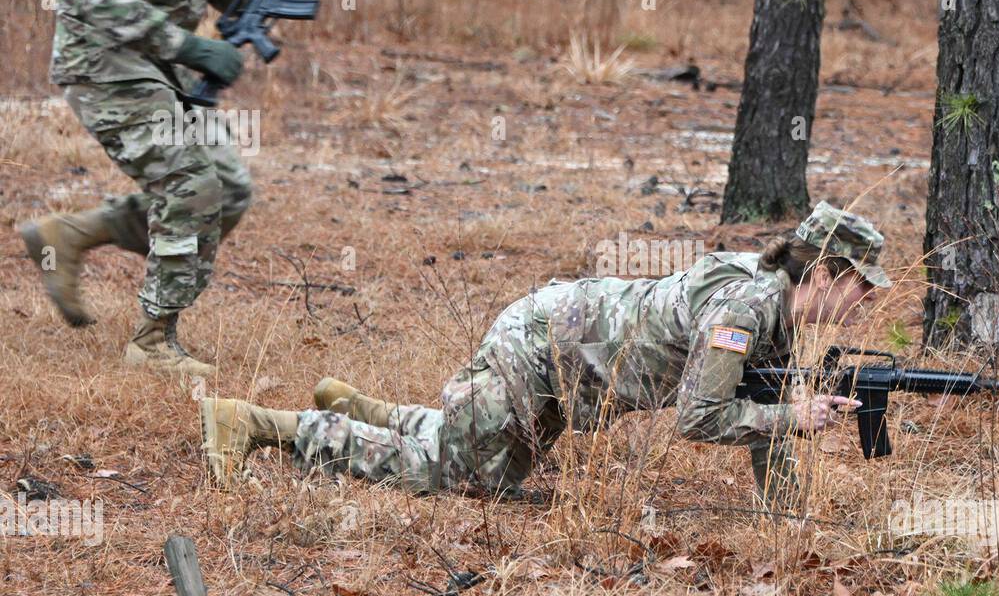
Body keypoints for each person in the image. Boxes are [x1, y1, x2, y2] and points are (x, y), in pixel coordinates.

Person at [200, 202, 891, 504]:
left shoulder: (778, 303)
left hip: (568, 367)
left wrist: (786, 516)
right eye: (862, 286)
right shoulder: (744, 309)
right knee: (451, 478)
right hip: (542, 351)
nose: (869, 301)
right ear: (825, 274)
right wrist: (793, 419)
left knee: (487, 471)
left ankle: (362, 407)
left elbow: (764, 397)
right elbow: (700, 417)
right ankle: (261, 425)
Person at [17, 0, 309, 377]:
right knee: (190, 184)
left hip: (157, 60)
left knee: (229, 193)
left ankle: (73, 234)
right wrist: (191, 46)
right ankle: (151, 343)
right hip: (103, 61)